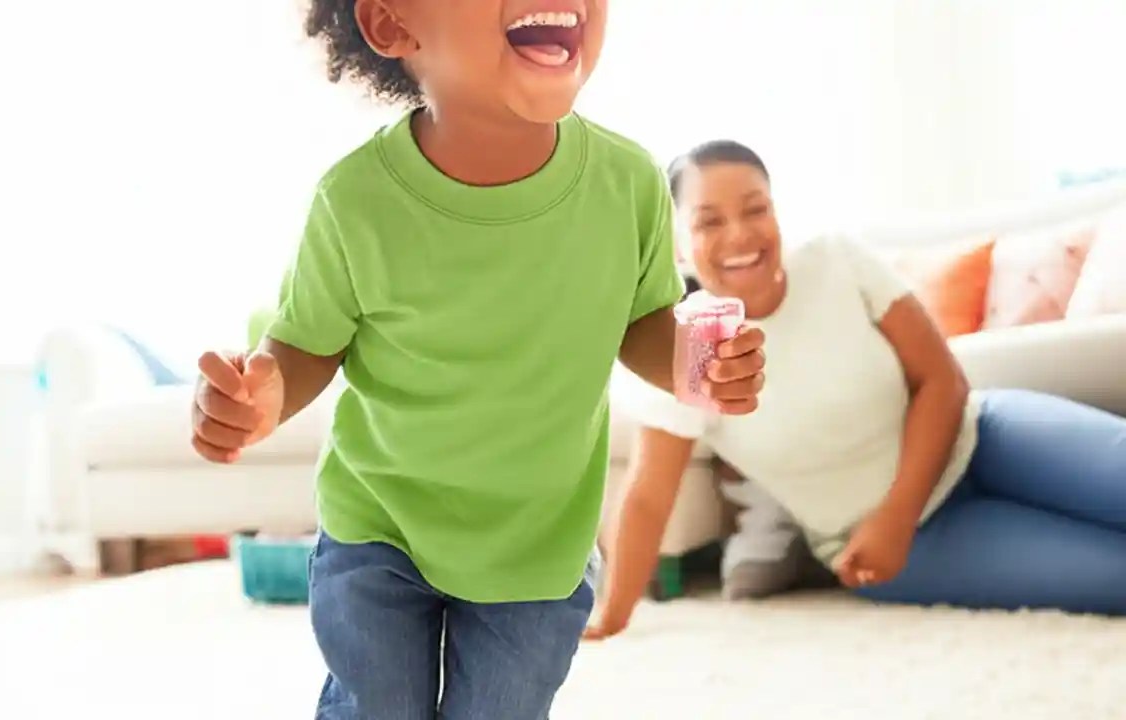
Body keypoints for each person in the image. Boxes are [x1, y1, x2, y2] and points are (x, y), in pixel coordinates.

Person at [188, 3, 768, 718]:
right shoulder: (356, 201)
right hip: (382, 524)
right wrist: (260, 399)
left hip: (536, 543)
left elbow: (642, 322)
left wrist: (695, 364)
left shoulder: (628, 183)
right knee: (379, 706)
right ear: (392, 25)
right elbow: (306, 342)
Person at [587, 139, 1126, 639]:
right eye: (709, 222)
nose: (740, 235)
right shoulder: (688, 348)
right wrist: (611, 617)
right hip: (910, 544)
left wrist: (895, 513)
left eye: (756, 209)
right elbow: (648, 498)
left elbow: (942, 378)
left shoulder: (835, 259)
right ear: (680, 248)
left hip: (986, 437)